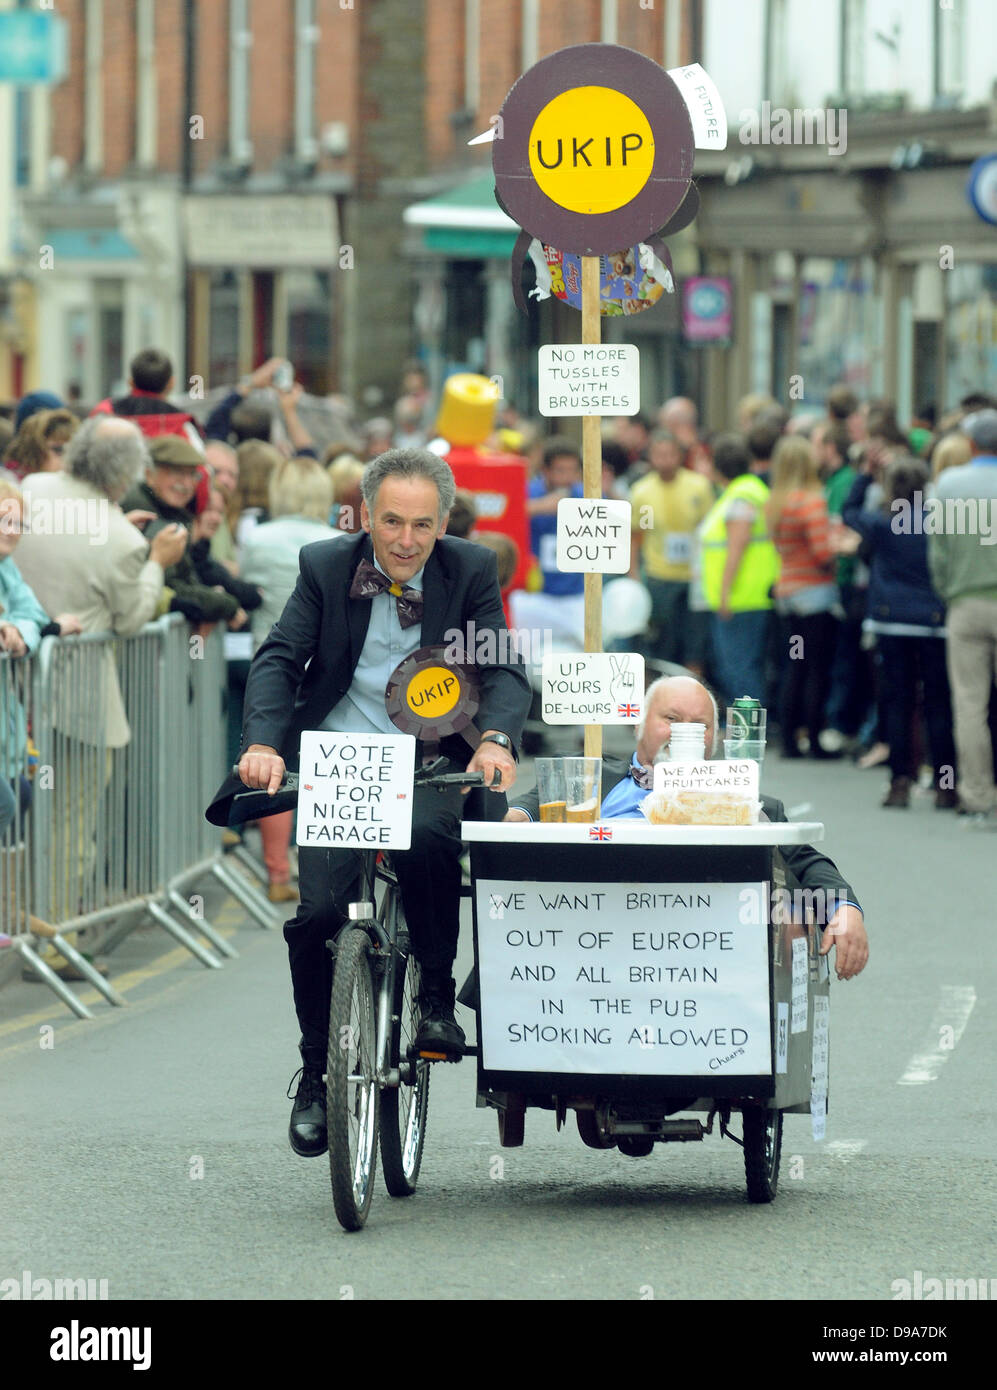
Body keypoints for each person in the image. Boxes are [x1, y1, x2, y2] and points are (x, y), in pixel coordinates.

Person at [208, 448, 531, 1157]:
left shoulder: (470, 570)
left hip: (429, 757)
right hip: (340, 761)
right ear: (364, 516)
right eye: (391, 521)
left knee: (428, 839)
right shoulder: (326, 565)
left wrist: (496, 739)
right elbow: (277, 658)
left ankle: (437, 1002)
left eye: (421, 524)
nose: (406, 540)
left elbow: (503, 664)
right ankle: (318, 1078)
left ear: (443, 521)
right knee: (319, 914)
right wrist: (262, 743)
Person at [506, 675, 869, 980]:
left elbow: (807, 863)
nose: (685, 733)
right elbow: (523, 813)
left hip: (703, 949)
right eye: (671, 719)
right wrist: (514, 819)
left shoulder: (744, 801)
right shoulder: (589, 778)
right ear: (638, 723)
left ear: (715, 737)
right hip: (587, 934)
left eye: (700, 726)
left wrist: (844, 908)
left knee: (791, 915)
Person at [239, 457, 341, 902]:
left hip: (271, 662)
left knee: (273, 764)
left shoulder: (257, 539)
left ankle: (277, 872)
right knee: (323, 766)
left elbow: (249, 588)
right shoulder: (338, 542)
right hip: (324, 668)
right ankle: (317, 859)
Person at [844, 457, 955, 809]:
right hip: (935, 621)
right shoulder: (940, 523)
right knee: (938, 702)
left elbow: (848, 512)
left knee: (897, 701)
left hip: (890, 619)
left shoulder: (882, 522)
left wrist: (863, 475)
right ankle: (945, 784)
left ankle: (899, 783)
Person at [927, 409, 997, 826]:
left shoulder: (950, 486)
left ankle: (976, 793)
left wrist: (947, 589)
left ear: (971, 445)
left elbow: (938, 551)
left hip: (966, 602)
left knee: (970, 704)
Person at [120, 437, 254, 632]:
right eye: (176, 473)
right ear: (150, 474)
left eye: (192, 475)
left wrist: (215, 599)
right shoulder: (143, 511)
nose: (186, 484)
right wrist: (226, 604)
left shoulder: (173, 513)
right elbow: (170, 583)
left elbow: (185, 578)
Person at [767, 436, 838, 759]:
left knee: (793, 668)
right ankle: (815, 738)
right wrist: (840, 550)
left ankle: (790, 740)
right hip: (815, 593)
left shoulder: (776, 502)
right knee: (817, 670)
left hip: (786, 590)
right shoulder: (811, 501)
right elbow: (822, 552)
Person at [698, 434, 779, 705]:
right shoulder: (747, 491)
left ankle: (748, 733)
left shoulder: (742, 496)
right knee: (741, 666)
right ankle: (747, 729)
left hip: (742, 596)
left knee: (740, 668)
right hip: (748, 594)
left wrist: (724, 592)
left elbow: (737, 545)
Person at [629, 428, 714, 671]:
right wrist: (634, 573)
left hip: (694, 577)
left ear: (680, 455)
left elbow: (708, 530)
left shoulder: (698, 486)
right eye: (659, 454)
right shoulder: (642, 491)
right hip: (659, 576)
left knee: (695, 644)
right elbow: (637, 536)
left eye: (670, 454)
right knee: (661, 644)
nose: (665, 460)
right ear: (651, 457)